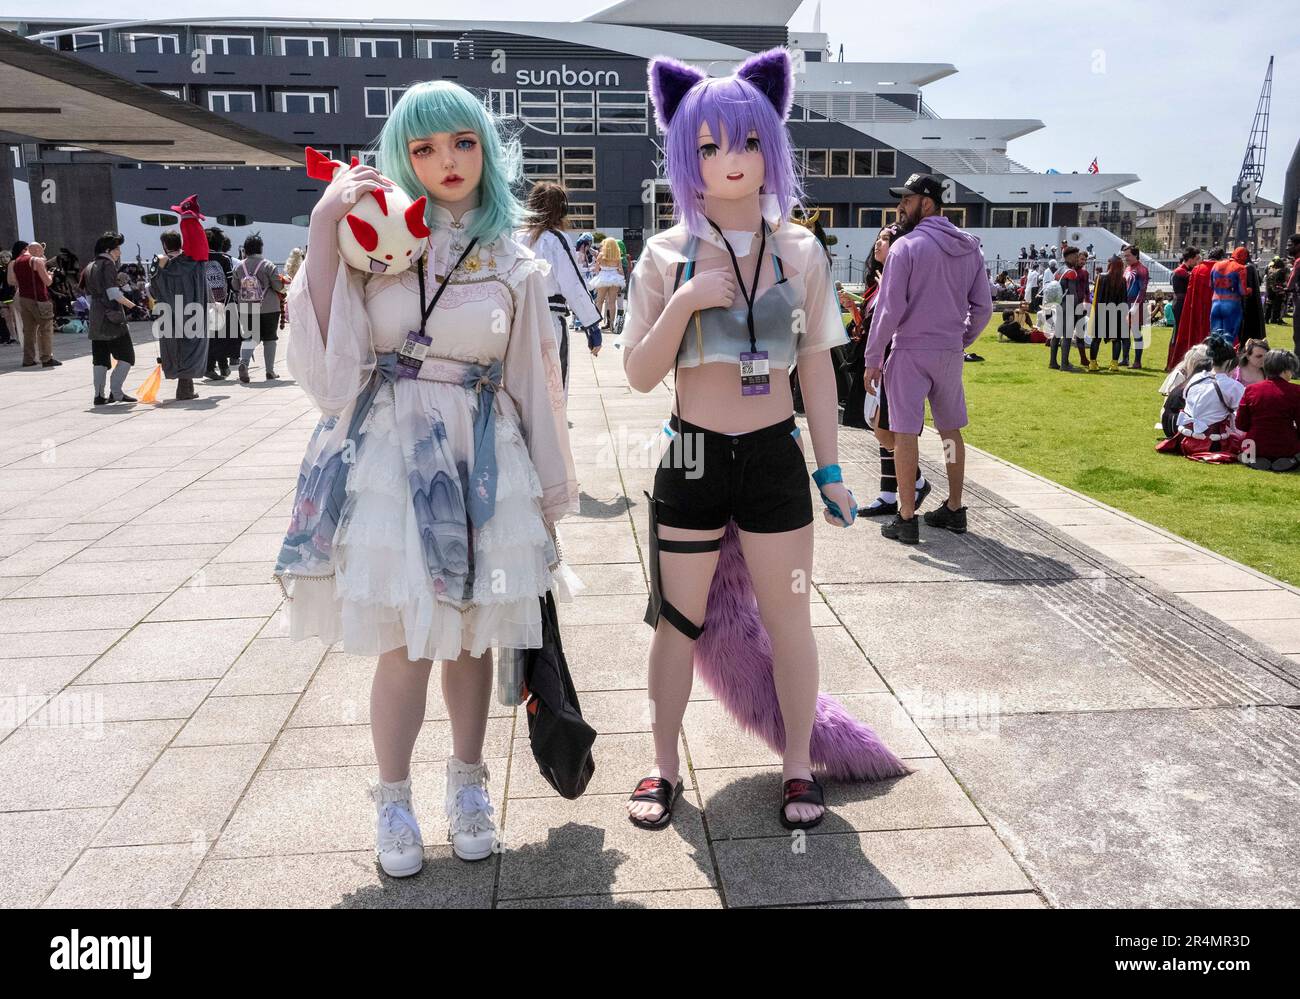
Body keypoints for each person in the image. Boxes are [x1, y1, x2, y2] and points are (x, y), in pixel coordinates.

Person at [274, 81, 579, 876]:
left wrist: (548, 498)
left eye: (462, 143)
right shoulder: (370, 244)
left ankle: (469, 787)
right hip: (392, 455)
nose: (447, 161)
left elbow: (535, 382)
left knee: (473, 637)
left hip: (484, 456)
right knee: (407, 640)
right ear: (399, 157)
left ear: (487, 149)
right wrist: (322, 223)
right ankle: (394, 800)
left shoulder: (514, 259)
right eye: (424, 147)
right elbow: (326, 372)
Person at [622, 50, 908, 832]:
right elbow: (640, 374)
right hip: (691, 451)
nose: (729, 161)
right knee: (677, 622)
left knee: (790, 621)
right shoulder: (663, 254)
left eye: (745, 142)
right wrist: (682, 303)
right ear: (684, 153)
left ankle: (797, 765)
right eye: (707, 147)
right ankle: (662, 764)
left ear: (770, 143)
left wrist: (831, 467)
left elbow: (817, 369)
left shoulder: (802, 251)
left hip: (775, 454)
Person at [863, 172, 993, 543]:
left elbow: (889, 309)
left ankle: (907, 517)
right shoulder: (970, 247)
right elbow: (983, 308)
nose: (901, 206)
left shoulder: (906, 247)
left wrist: (873, 357)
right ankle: (954, 507)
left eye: (907, 199)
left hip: (909, 350)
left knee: (905, 433)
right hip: (949, 351)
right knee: (950, 430)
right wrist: (959, 337)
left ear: (928, 202)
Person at [843, 223, 931, 515]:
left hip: (895, 361)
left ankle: (915, 481)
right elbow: (870, 326)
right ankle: (888, 493)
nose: (878, 244)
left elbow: (897, 318)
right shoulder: (878, 281)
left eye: (885, 239)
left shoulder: (900, 279)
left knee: (886, 429)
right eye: (878, 238)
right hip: (878, 360)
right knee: (879, 426)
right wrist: (855, 308)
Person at [515, 180, 603, 394]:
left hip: (517, 322)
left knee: (521, 387)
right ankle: (552, 427)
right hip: (549, 320)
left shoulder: (515, 237)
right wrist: (591, 325)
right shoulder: (556, 239)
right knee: (553, 386)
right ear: (561, 210)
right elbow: (572, 283)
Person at [1155, 335, 1245, 463]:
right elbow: (1241, 416)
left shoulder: (1195, 379)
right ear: (1229, 362)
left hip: (1184, 440)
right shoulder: (1232, 386)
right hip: (1213, 443)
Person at [149, 228, 209, 400]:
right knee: (191, 346)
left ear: (164, 245)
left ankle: (185, 388)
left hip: (168, 314)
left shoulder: (160, 264)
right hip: (193, 311)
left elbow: (153, 290)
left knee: (174, 347)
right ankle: (185, 388)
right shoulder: (194, 262)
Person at [83, 231, 139, 405]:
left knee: (100, 358)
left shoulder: (90, 266)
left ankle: (98, 395)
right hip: (111, 317)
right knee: (127, 355)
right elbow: (113, 293)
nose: (119, 253)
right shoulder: (108, 265)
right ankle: (116, 392)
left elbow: (88, 296)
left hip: (95, 316)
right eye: (117, 249)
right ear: (108, 250)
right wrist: (134, 307)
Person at [1235, 349, 1300, 471]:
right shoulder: (1296, 391)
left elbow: (1241, 424)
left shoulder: (1251, 389)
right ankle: (1292, 459)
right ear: (1286, 369)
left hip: (1254, 444)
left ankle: (1251, 457)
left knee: (1248, 447)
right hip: (1286, 445)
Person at [233, 232, 285, 382]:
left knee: (250, 337)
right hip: (269, 307)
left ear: (245, 250)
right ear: (260, 249)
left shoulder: (239, 267)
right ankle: (270, 371)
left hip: (246, 308)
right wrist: (283, 287)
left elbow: (235, 286)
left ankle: (244, 363)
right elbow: (277, 286)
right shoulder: (268, 265)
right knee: (270, 338)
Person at [10, 239, 58, 367]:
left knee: (29, 331)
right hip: (39, 299)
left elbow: (14, 281)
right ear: (36, 250)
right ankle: (47, 358)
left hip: (24, 299)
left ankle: (28, 359)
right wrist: (50, 274)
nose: (42, 255)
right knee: (46, 329)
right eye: (41, 251)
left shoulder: (17, 261)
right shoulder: (35, 261)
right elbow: (47, 282)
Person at [1169, 247, 1218, 370]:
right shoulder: (1181, 272)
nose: (1198, 261)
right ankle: (1173, 361)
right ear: (1190, 259)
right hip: (1180, 304)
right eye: (1196, 259)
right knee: (1178, 333)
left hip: (1180, 303)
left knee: (1178, 332)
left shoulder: (1184, 271)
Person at [203, 227, 238, 380]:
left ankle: (219, 367)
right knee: (221, 334)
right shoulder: (224, 259)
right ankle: (213, 367)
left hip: (203, 302)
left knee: (210, 334)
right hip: (223, 302)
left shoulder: (198, 258)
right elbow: (232, 282)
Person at [1089, 254, 1129, 371]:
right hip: (1116, 313)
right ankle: (1114, 364)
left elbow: (1096, 297)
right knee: (1116, 339)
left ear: (1110, 264)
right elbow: (1123, 300)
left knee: (1096, 339)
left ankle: (1092, 364)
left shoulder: (1100, 277)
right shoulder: (1122, 280)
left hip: (1101, 311)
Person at [1055, 245, 1091, 370]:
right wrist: (1078, 308)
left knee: (1057, 333)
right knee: (1067, 335)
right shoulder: (1071, 272)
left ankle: (1053, 362)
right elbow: (1073, 293)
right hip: (1069, 305)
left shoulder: (1060, 270)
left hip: (1060, 304)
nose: (1077, 258)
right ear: (1069, 257)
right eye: (1076, 256)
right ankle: (1064, 364)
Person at [1209, 247, 1251, 346]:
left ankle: (1214, 359)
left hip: (1215, 304)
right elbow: (1242, 291)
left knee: (1215, 337)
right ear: (1243, 257)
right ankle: (1227, 360)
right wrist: (1250, 290)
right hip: (1231, 304)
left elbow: (1211, 285)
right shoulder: (1241, 268)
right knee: (1229, 338)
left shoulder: (1216, 265)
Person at [588, 236, 624, 331]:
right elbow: (620, 270)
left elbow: (596, 269)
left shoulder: (601, 255)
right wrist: (622, 280)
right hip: (615, 278)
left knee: (599, 301)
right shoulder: (617, 256)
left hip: (603, 278)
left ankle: (596, 324)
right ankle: (612, 324)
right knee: (612, 302)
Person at [1122, 244, 1149, 368]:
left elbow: (1142, 291)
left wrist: (1135, 307)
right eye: (1124, 255)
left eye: (1128, 255)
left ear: (1135, 255)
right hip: (1125, 302)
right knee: (1124, 333)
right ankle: (1125, 358)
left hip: (1135, 303)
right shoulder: (1127, 268)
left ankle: (1137, 361)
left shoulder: (1142, 269)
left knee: (1136, 332)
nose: (1125, 258)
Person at [1265, 256, 1288, 325]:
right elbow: (1282, 281)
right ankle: (1275, 319)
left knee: (1269, 305)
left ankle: (1266, 318)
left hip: (1269, 289)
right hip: (1278, 290)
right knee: (1277, 305)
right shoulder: (1280, 271)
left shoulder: (1270, 270)